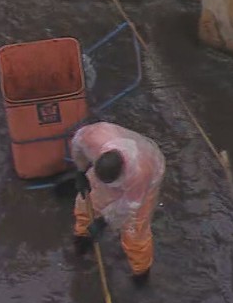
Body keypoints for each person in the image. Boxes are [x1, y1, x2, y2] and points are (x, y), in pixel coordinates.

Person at [70, 121, 166, 285]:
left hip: (146, 181)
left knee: (134, 229)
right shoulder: (92, 137)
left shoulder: (141, 172)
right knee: (87, 202)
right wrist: (80, 171)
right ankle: (82, 238)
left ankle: (140, 272)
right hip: (114, 173)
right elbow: (77, 145)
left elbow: (129, 205)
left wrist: (104, 220)